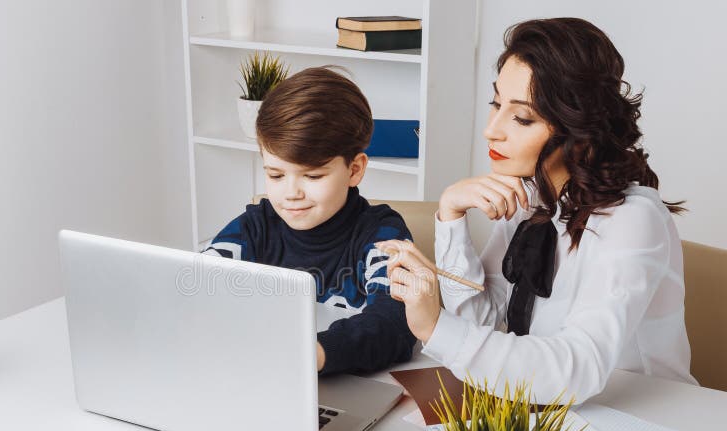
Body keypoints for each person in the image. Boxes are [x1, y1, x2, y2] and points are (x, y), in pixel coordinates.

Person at [378, 18, 697, 403]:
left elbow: (579, 368)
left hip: (648, 419)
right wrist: (451, 216)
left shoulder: (633, 220)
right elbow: (485, 322)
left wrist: (435, 328)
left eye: (522, 117)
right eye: (497, 104)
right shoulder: (531, 200)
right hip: (548, 411)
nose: (491, 130)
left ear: (578, 129)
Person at [203, 66, 416, 374]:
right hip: (259, 376)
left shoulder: (381, 233)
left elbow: (396, 321)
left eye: (313, 176)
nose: (291, 193)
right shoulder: (255, 226)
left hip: (333, 380)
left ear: (355, 169)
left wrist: (311, 354)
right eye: (275, 175)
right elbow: (199, 287)